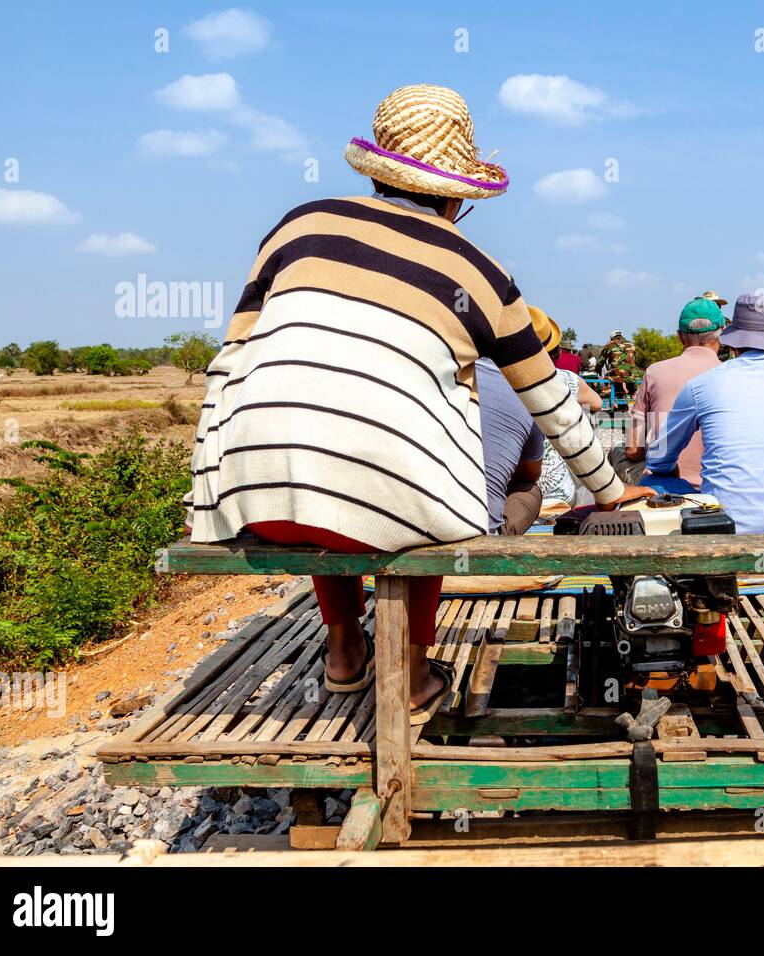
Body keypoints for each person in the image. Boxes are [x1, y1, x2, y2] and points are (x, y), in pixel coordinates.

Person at [185, 84, 649, 722]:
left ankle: (345, 656)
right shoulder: (475, 267)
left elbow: (229, 364)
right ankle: (409, 674)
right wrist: (607, 491)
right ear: (460, 194)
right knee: (409, 473)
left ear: (378, 173)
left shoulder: (300, 225)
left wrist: (203, 497)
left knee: (329, 469)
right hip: (400, 518)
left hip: (259, 502)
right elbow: (552, 405)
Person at [646, 293, 764, 534]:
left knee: (653, 482)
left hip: (721, 528)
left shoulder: (701, 385)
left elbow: (659, 458)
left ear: (732, 343)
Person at [616, 297, 725, 492]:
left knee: (617, 453)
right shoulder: (731, 377)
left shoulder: (655, 372)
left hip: (666, 487)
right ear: (722, 334)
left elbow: (633, 450)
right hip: (716, 488)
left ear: (680, 336)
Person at [532, 308, 604, 506]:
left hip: (503, 491)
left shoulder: (491, 380)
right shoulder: (566, 379)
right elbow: (597, 403)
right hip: (556, 490)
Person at [475, 350, 544, 537]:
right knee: (530, 490)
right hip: (476, 534)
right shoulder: (530, 393)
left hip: (400, 531)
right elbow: (530, 474)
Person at [598, 330, 640, 399]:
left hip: (616, 375)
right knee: (631, 386)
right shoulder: (631, 344)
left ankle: (615, 400)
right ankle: (633, 398)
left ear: (612, 338)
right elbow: (635, 359)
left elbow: (601, 361)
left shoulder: (610, 344)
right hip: (633, 375)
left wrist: (597, 370)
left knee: (608, 380)